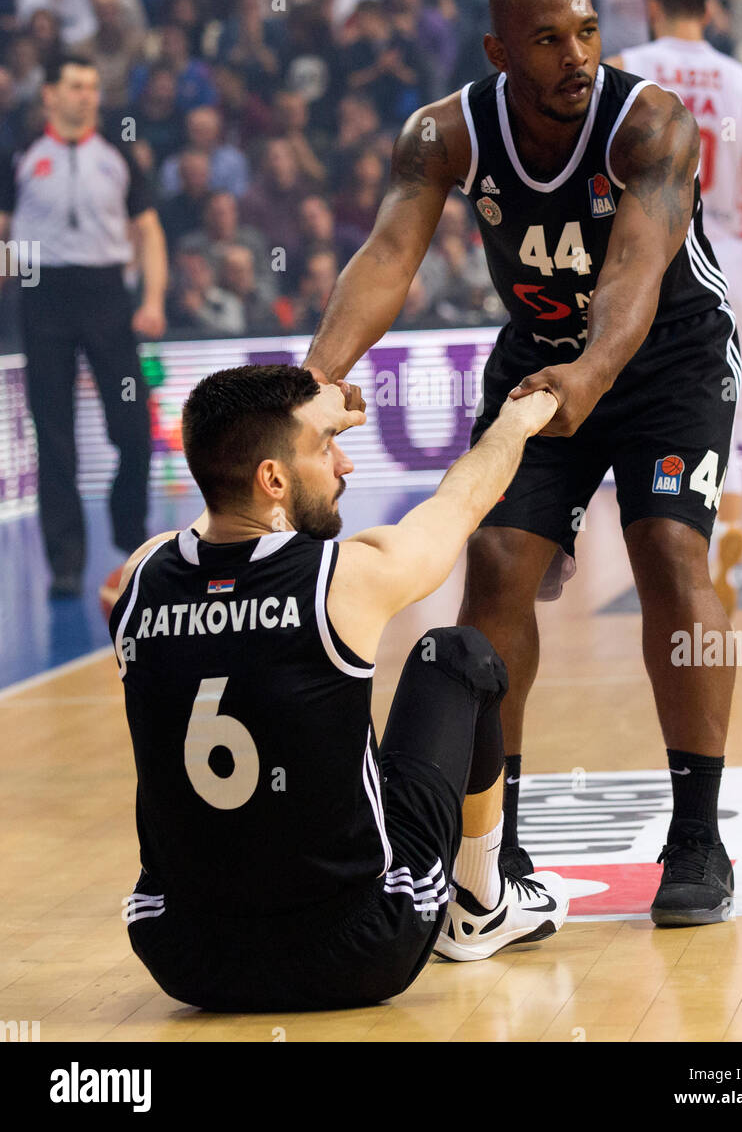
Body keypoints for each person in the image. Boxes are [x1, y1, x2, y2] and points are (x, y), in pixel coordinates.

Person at [305, 0, 742, 928]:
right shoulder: (443, 132)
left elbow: (634, 267)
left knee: (670, 550)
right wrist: (316, 376)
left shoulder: (652, 122)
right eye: (549, 40)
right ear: (501, 53)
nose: (577, 54)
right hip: (541, 356)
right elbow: (390, 253)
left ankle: (698, 831)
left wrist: (594, 376)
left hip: (669, 356)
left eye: (586, 31)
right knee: (498, 562)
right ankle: (493, 835)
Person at [110, 367, 567, 1012]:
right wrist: (519, 419)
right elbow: (462, 502)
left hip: (186, 959)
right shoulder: (345, 577)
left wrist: (307, 421)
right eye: (327, 447)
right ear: (273, 479)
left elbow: (225, 547)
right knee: (461, 654)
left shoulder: (140, 576)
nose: (344, 463)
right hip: (358, 953)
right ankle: (482, 904)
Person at [611, 0, 742, 615]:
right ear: (710, 12)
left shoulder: (622, 69)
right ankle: (727, 531)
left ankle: (673, 548)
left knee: (649, 410)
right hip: (725, 253)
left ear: (651, 8)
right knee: (724, 413)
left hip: (645, 249)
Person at [0, 53, 167, 596]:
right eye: (75, 86)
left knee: (133, 427)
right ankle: (66, 562)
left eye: (93, 86)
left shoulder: (117, 154)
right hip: (43, 293)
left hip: (105, 295)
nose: (87, 96)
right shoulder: (22, 155)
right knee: (53, 433)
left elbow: (149, 230)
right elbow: (5, 237)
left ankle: (131, 534)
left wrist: (153, 298)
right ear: (49, 94)